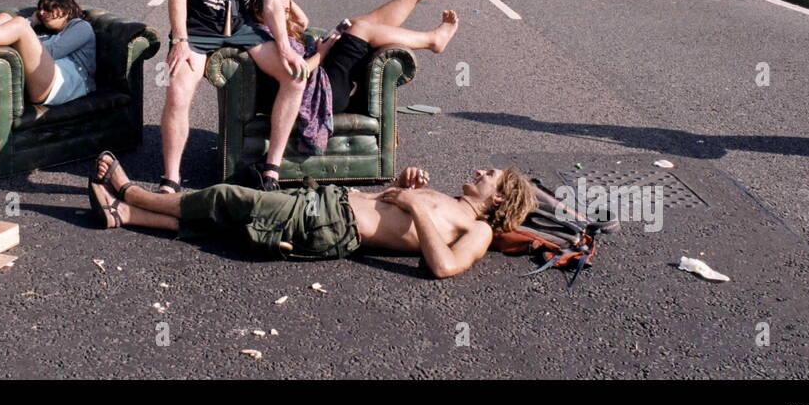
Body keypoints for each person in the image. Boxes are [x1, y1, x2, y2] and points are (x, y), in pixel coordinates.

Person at [89, 153, 536, 279]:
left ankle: (134, 192)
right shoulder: (447, 200)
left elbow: (443, 267)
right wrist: (402, 185)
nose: (479, 171)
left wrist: (417, 205)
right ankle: (125, 215)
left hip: (331, 225)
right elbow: (386, 203)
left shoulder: (476, 228)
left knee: (229, 198)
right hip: (329, 206)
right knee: (237, 229)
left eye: (489, 176)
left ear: (498, 200)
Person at [147, 0, 304, 194]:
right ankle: (171, 178)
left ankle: (271, 168)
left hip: (240, 26)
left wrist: (285, 47)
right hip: (196, 29)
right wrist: (180, 40)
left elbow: (272, 4)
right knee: (178, 93)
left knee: (294, 77)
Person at [245, 0, 459, 170]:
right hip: (320, 95)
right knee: (360, 29)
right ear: (260, 12)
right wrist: (323, 52)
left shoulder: (277, 29)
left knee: (355, 26)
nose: (286, 15)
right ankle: (431, 39)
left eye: (287, 11)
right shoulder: (266, 38)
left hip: (322, 82)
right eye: (280, 12)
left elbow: (303, 21)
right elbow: (297, 74)